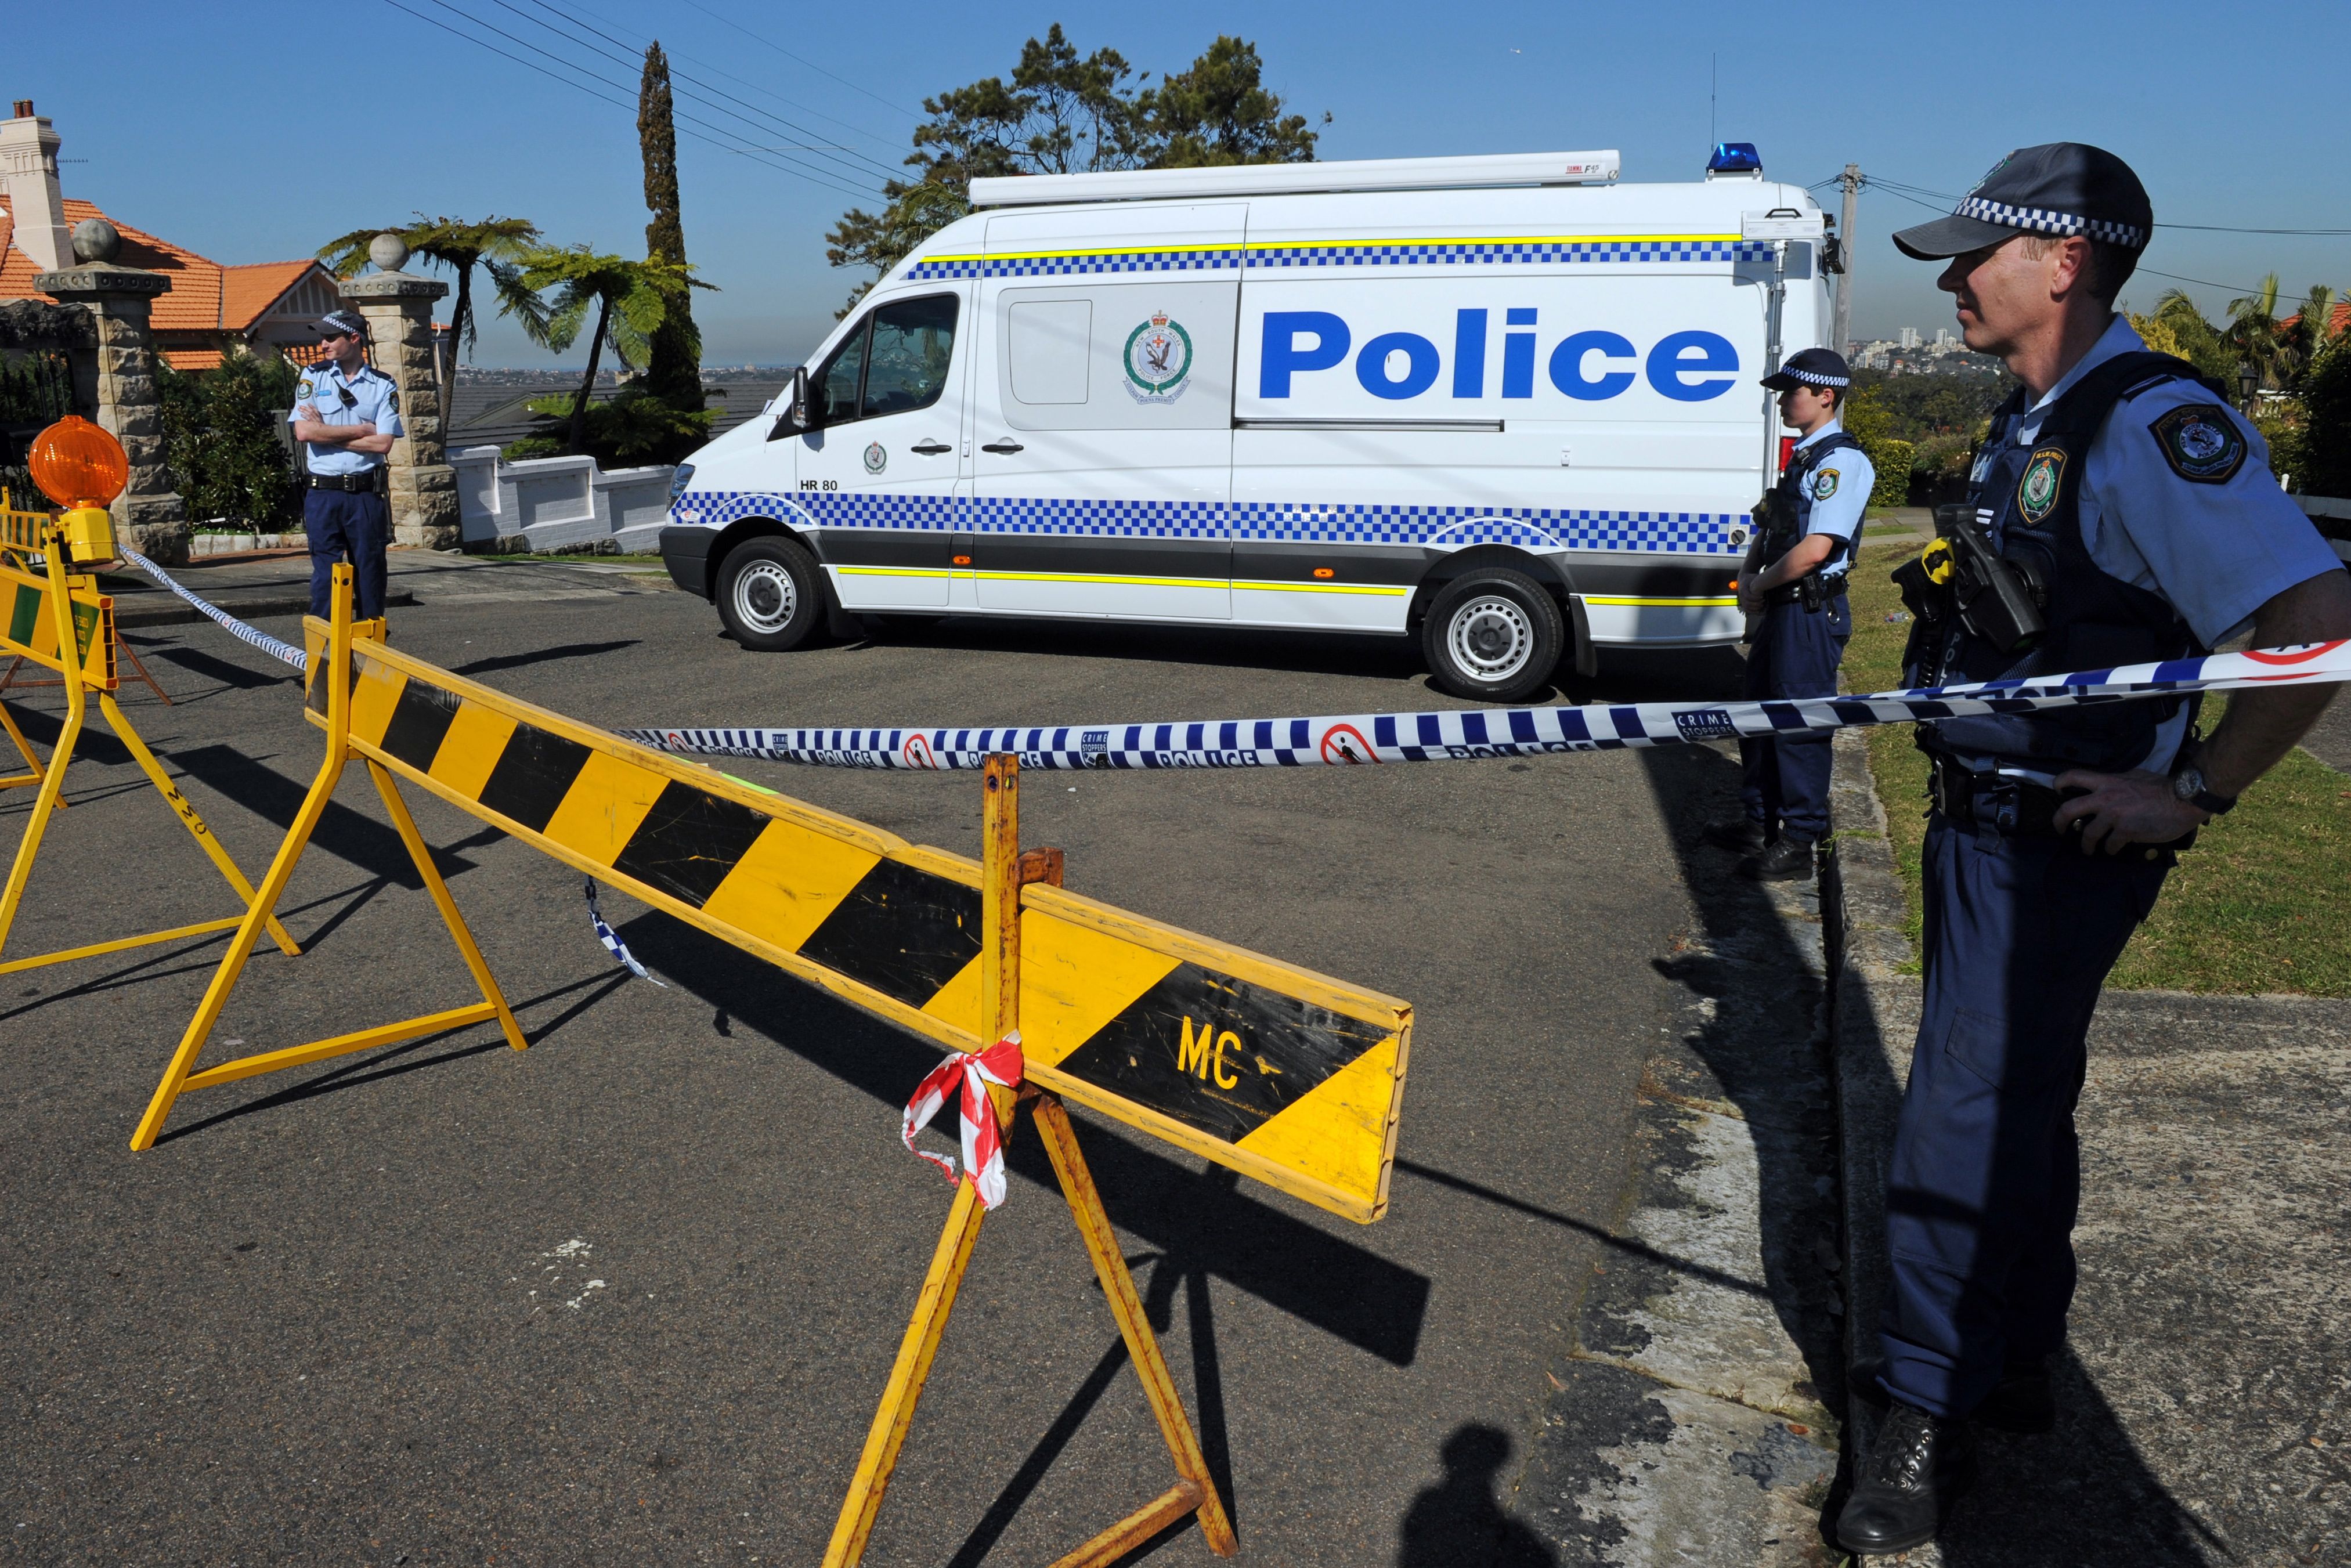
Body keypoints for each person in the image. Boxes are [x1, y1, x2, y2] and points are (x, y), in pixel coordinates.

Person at [1835, 143, 2351, 1555]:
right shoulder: (2039, 412)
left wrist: (2193, 789)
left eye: (1974, 253)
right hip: (1986, 824)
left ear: (2060, 262)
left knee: (1956, 1116)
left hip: (2050, 847)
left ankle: (1921, 1409)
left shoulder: (2144, 420)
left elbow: (2312, 620)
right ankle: (2008, 1359)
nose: (1949, 277)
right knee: (2015, 1101)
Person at [1704, 346, 1875, 880]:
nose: (1781, 402)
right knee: (1758, 718)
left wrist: (1758, 583)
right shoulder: (1803, 457)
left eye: (1790, 392)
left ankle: (1798, 842)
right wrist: (1747, 574)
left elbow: (1815, 549)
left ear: (1825, 396)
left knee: (1800, 728)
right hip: (1782, 609)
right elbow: (1772, 525)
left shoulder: (1840, 463)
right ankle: (1759, 824)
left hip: (1808, 611)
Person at [288, 308, 401, 619]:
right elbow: (304, 432)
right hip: (323, 495)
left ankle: (370, 641)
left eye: (330, 337)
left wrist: (326, 433)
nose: (323, 344)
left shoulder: (382, 385)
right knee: (325, 577)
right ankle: (324, 643)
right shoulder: (313, 376)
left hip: (365, 496)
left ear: (353, 338)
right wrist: (362, 430)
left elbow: (383, 444)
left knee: (370, 573)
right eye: (322, 338)